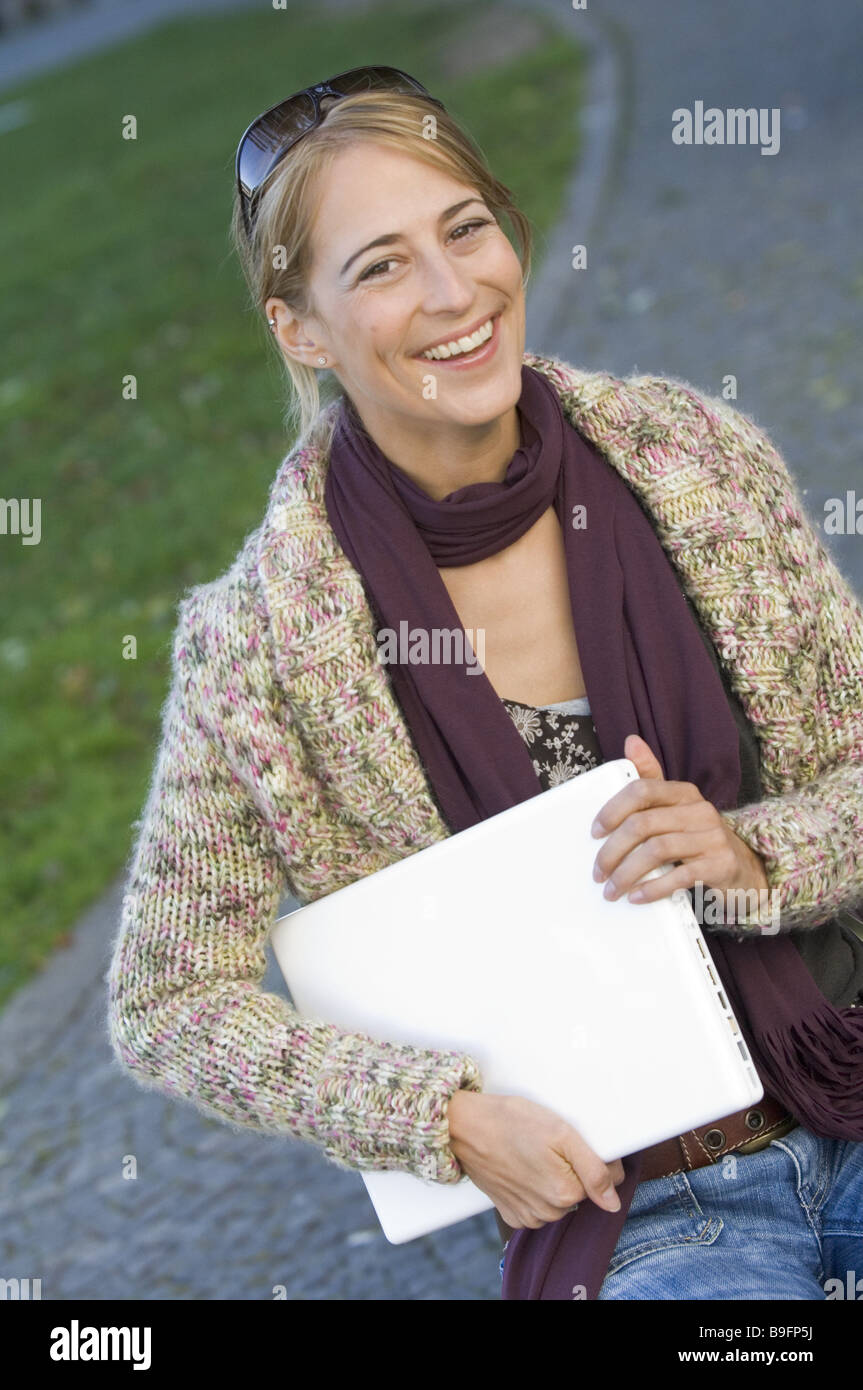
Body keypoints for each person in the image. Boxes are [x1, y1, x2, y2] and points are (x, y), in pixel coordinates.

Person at [107, 68, 863, 1301]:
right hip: (646, 1210)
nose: (455, 295)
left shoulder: (692, 456)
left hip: (845, 1056)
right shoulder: (257, 643)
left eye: (464, 229)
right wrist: (440, 1121)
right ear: (299, 328)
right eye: (381, 266)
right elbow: (167, 999)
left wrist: (751, 856)